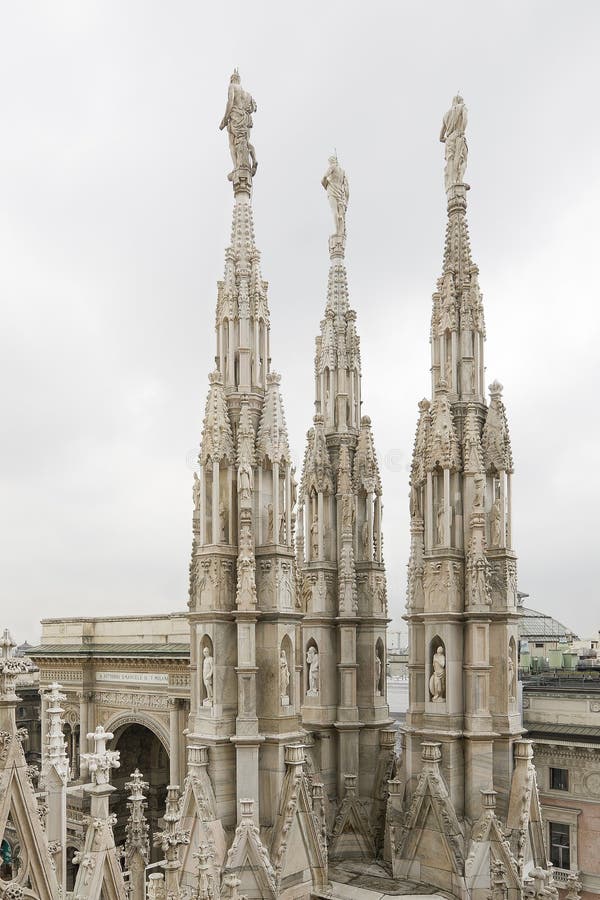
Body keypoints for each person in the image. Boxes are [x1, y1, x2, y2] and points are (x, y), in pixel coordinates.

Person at [321, 155, 349, 237]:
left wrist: (326, 184)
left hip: (332, 192)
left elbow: (324, 178)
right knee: (340, 213)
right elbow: (347, 188)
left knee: (334, 211)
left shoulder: (332, 167)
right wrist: (346, 200)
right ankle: (341, 229)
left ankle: (337, 231)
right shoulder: (342, 171)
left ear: (331, 161)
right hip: (340, 194)